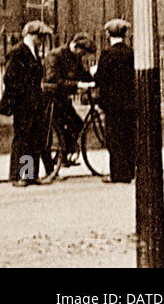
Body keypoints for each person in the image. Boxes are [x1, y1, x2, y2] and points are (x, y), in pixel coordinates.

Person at [0, 20, 52, 186]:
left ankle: (29, 175)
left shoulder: (33, 52)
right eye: (40, 37)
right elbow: (10, 78)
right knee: (22, 139)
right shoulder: (18, 52)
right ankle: (18, 176)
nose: (42, 40)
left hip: (34, 102)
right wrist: (22, 95)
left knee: (33, 139)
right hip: (23, 103)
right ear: (31, 35)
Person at [43, 33, 96, 162]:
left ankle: (63, 154)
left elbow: (82, 74)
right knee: (57, 129)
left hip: (62, 100)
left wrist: (94, 79)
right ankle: (59, 156)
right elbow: (53, 80)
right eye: (83, 53)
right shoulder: (55, 55)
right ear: (76, 46)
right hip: (50, 100)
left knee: (77, 124)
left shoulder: (74, 56)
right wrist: (77, 85)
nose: (83, 56)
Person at [95, 19, 136, 183]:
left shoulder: (107, 54)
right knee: (128, 137)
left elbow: (100, 78)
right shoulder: (130, 53)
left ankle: (117, 174)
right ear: (124, 35)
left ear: (108, 35)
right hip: (129, 103)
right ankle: (129, 172)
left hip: (113, 105)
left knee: (114, 139)